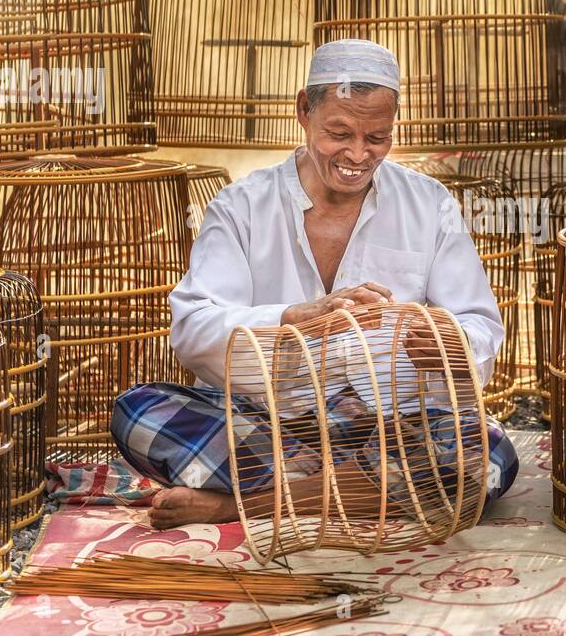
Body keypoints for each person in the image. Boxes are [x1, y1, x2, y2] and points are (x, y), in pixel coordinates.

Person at [110, 39, 519, 529]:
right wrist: (288, 318)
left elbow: (480, 327)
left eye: (377, 137)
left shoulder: (429, 205)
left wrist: (450, 343)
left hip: (386, 425)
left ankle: (249, 504)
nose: (358, 154)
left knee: (489, 456)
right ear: (304, 110)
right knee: (139, 413)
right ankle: (361, 492)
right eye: (339, 133)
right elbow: (193, 330)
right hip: (267, 421)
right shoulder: (241, 207)